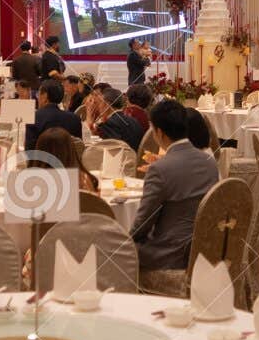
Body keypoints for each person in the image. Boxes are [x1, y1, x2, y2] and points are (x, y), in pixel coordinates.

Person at [131, 98, 220, 272]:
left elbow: (142, 225)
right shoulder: (209, 161)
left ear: (160, 132)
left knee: (110, 249)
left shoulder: (159, 169)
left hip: (170, 255)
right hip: (204, 252)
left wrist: (124, 238)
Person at [26, 78, 81, 149]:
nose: (38, 98)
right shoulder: (75, 119)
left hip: (42, 159)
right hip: (68, 159)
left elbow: (29, 152)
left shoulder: (34, 117)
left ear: (45, 96)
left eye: (38, 94)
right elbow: (78, 149)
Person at [88, 86, 143, 152]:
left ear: (107, 105)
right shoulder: (134, 121)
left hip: (121, 160)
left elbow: (110, 151)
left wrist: (91, 125)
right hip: (135, 159)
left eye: (100, 103)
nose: (98, 107)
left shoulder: (109, 123)